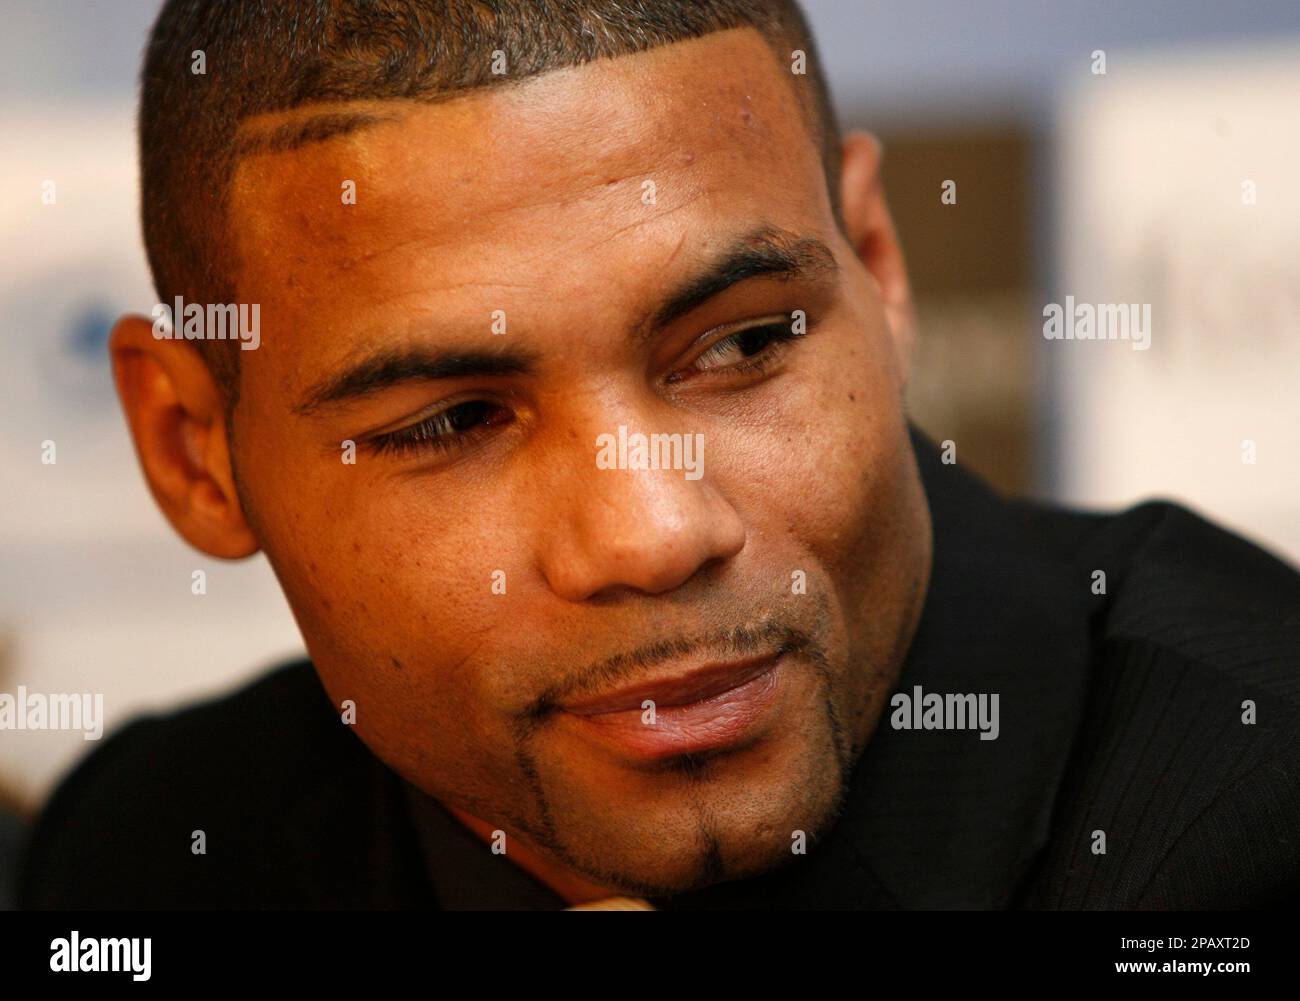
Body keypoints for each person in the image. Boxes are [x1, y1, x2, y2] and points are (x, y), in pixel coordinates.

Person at [20, 0, 1300, 910]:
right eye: (453, 420)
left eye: (742, 346)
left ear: (880, 267)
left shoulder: (1252, 801)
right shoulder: (151, 848)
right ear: (194, 452)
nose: (651, 532)